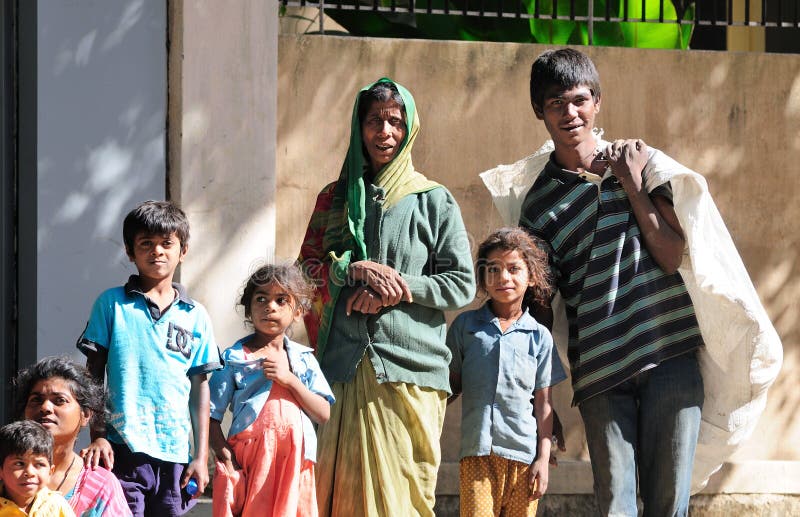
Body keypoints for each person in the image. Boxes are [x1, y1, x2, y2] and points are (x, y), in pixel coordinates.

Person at [516, 48, 705, 516]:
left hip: (670, 357)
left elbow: (670, 253)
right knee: (615, 505)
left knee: (669, 505)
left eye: (579, 99)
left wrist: (634, 183)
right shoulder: (538, 206)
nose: (569, 113)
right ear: (539, 111)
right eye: (555, 103)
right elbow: (538, 313)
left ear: (597, 101)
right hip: (601, 371)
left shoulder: (642, 162)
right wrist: (543, 403)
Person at [298, 78, 476, 516]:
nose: (385, 132)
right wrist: (347, 270)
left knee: (405, 500)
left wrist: (398, 289)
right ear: (359, 127)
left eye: (395, 121)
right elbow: (303, 276)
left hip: (410, 371)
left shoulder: (434, 201)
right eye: (374, 120)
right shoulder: (334, 198)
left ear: (409, 128)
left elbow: (461, 283)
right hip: (341, 369)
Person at [76, 200, 222, 517]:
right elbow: (92, 376)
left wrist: (200, 456)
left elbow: (200, 388)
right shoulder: (111, 304)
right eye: (146, 244)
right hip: (122, 447)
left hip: (176, 453)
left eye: (166, 243)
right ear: (130, 252)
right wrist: (98, 437)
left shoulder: (195, 315)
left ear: (182, 250)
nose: (157, 251)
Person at [447, 227, 567, 517]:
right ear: (483, 278)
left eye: (514, 269)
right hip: (477, 455)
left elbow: (543, 403)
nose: (503, 278)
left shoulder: (539, 337)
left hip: (524, 459)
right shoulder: (466, 328)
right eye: (494, 270)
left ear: (532, 276)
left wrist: (542, 455)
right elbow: (447, 386)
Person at [209, 263, 335, 517]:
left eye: (281, 300)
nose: (270, 307)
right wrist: (223, 452)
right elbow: (210, 414)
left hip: (295, 458)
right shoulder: (234, 358)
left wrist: (290, 380)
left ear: (298, 311)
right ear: (248, 310)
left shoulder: (303, 359)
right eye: (261, 299)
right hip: (253, 460)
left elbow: (323, 412)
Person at [14, 356, 131, 517]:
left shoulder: (100, 486)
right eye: (36, 400)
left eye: (59, 400)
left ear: (86, 415)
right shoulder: (5, 474)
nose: (45, 407)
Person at [0, 420, 74, 516]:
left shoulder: (56, 505)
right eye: (19, 464)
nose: (30, 472)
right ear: (1, 471)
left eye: (39, 464)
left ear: (50, 472)